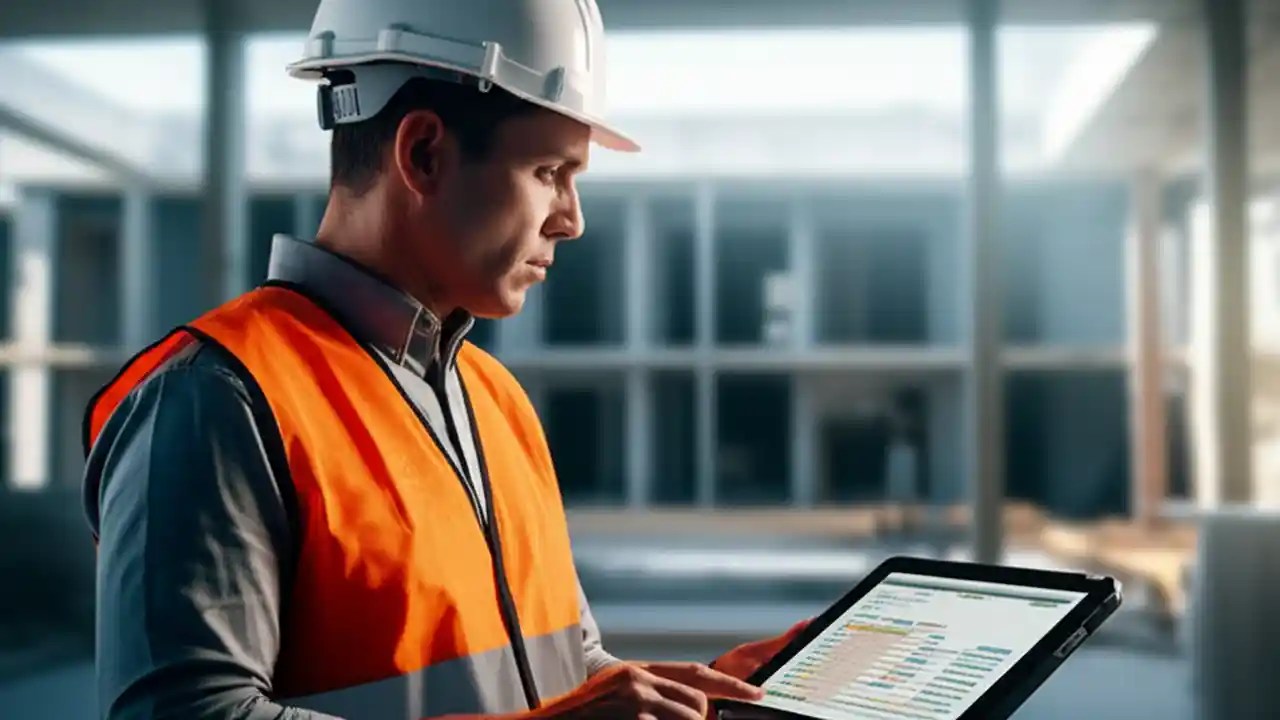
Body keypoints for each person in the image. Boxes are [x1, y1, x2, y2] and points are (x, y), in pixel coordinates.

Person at [82, 1, 807, 718]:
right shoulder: (214, 398)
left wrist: (702, 692)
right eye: (549, 170)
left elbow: (560, 666)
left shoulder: (494, 399)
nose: (572, 219)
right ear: (424, 154)